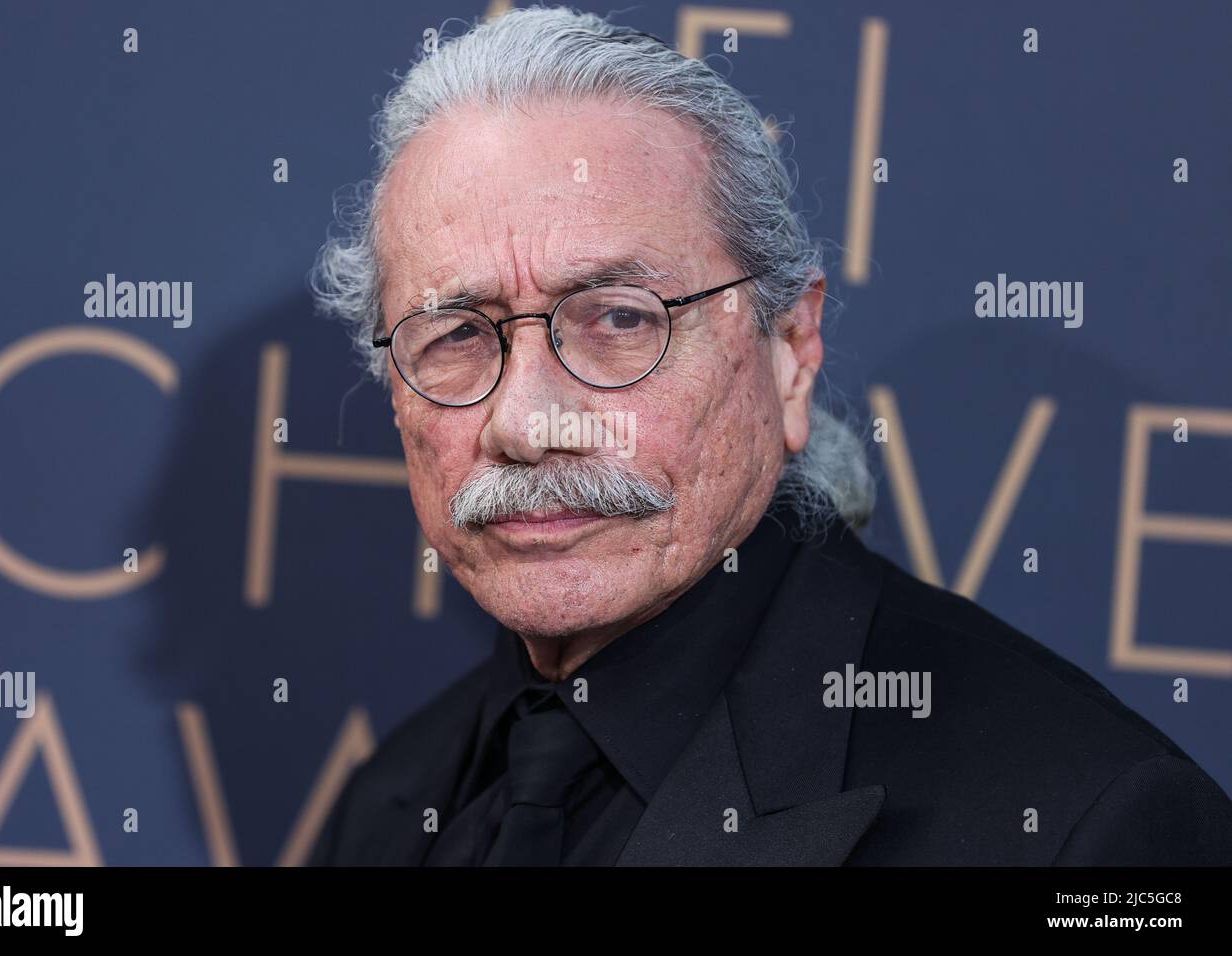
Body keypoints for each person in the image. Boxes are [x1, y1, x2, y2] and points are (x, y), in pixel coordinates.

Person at [306, 6, 1232, 865]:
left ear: (790, 352)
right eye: (459, 336)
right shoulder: (392, 802)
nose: (525, 422)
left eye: (621, 320)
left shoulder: (1091, 827)